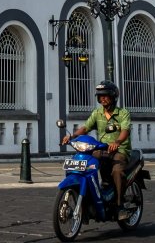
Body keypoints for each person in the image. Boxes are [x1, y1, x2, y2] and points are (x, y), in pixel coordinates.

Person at [62, 80, 133, 219]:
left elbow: (125, 130)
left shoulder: (123, 113)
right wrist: (72, 136)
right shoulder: (97, 113)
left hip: (119, 151)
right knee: (87, 163)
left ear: (113, 97)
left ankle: (119, 205)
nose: (103, 99)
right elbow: (86, 128)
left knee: (117, 171)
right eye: (100, 96)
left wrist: (117, 142)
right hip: (102, 149)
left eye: (105, 96)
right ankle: (92, 195)